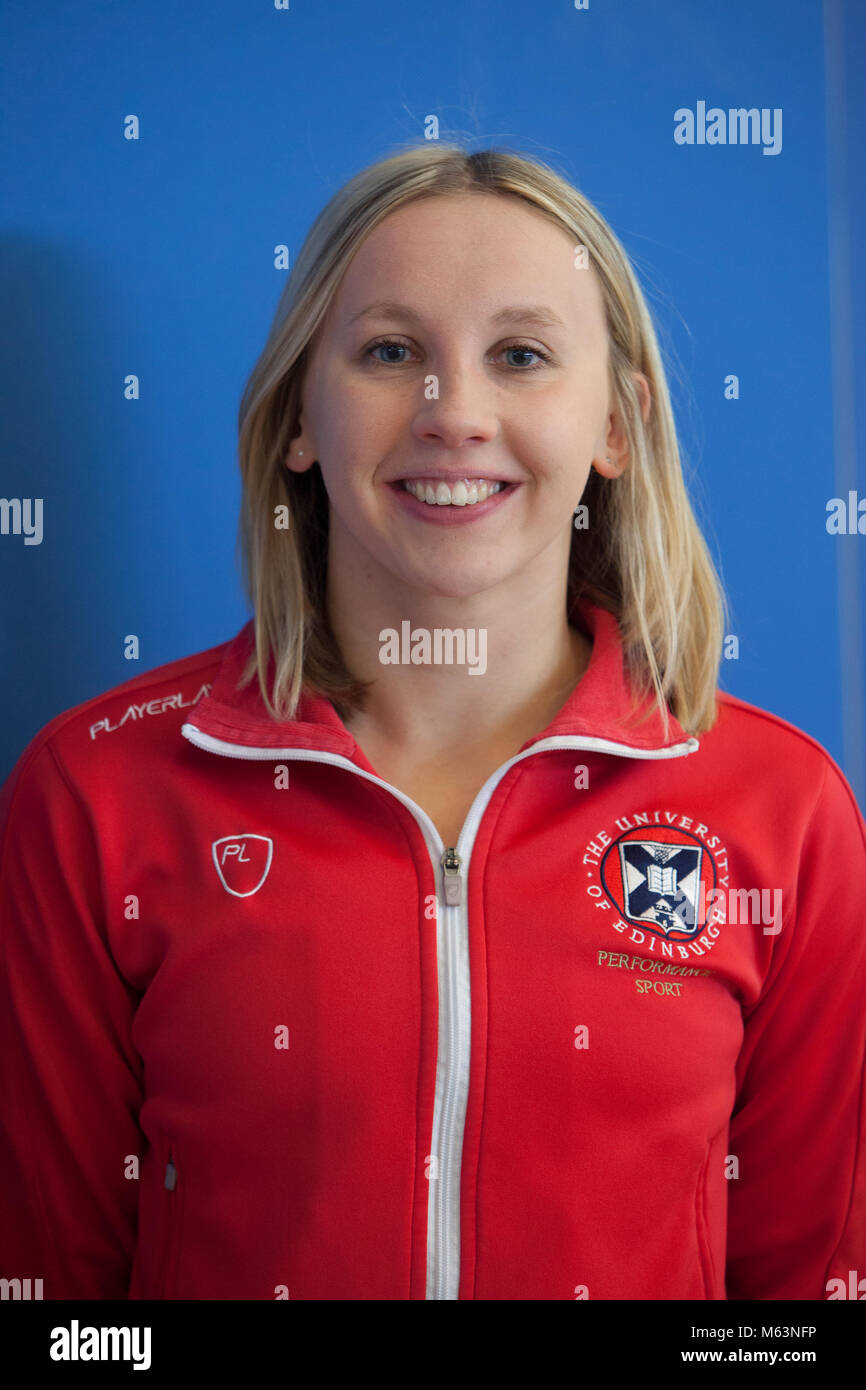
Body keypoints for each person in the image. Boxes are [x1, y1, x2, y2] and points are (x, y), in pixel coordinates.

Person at [1, 143, 864, 1302]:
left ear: (613, 425)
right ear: (300, 416)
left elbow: (805, 1302)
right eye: (389, 351)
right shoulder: (92, 795)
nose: (451, 411)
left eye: (519, 355)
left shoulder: (783, 811)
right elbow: (54, 1302)